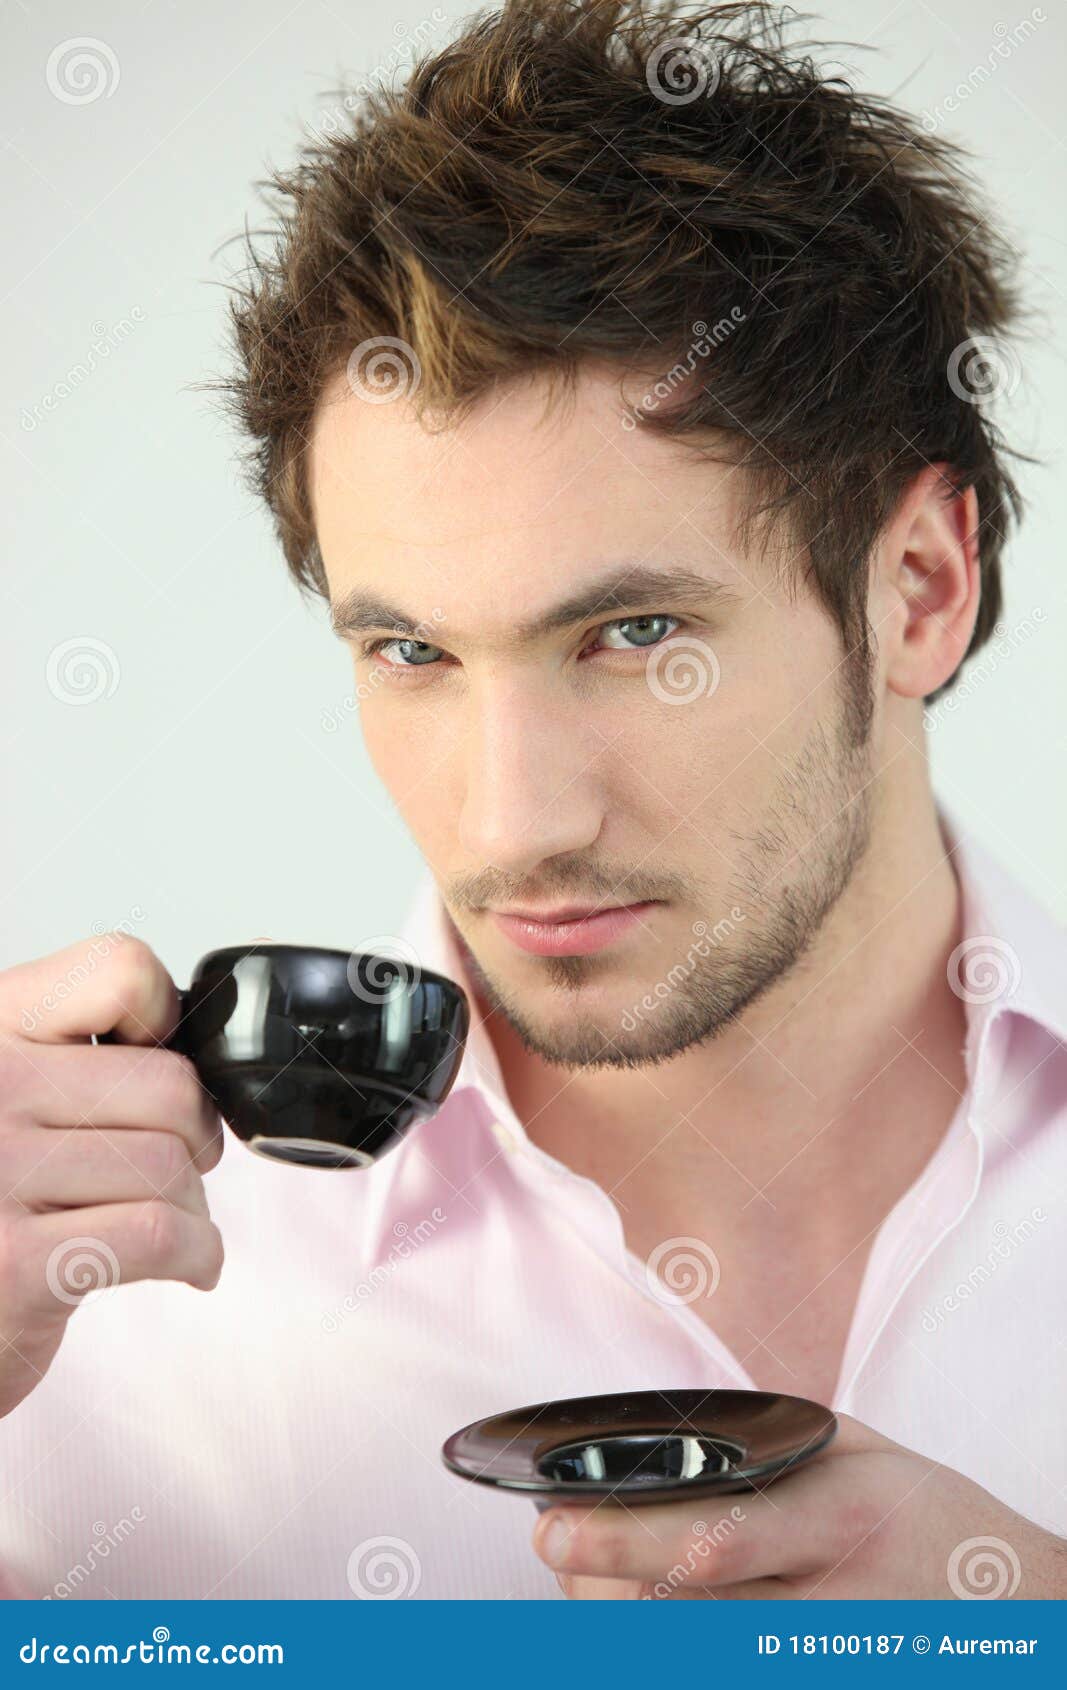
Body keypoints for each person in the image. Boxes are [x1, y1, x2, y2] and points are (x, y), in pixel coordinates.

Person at [2, 0, 1065, 1601]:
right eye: (413, 649)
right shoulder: (79, 1296)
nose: (510, 827)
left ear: (920, 586)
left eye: (634, 634)